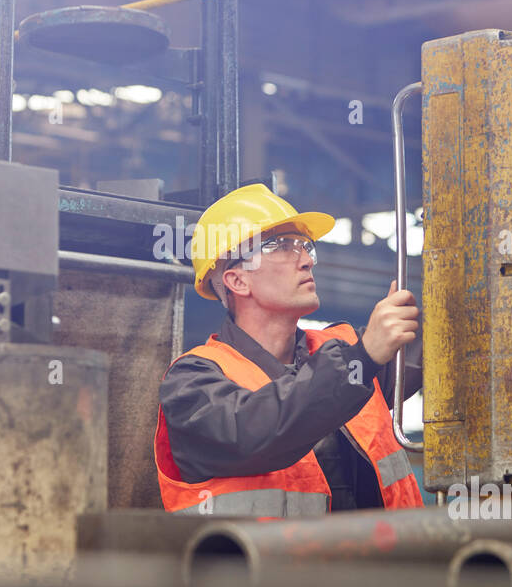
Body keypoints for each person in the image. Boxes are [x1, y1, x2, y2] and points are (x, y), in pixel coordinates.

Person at [154, 183, 426, 516]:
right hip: (267, 569)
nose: (306, 261)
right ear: (237, 281)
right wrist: (364, 358)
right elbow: (255, 431)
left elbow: (450, 342)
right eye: (281, 246)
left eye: (305, 246)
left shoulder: (344, 347)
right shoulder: (192, 383)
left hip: (392, 565)